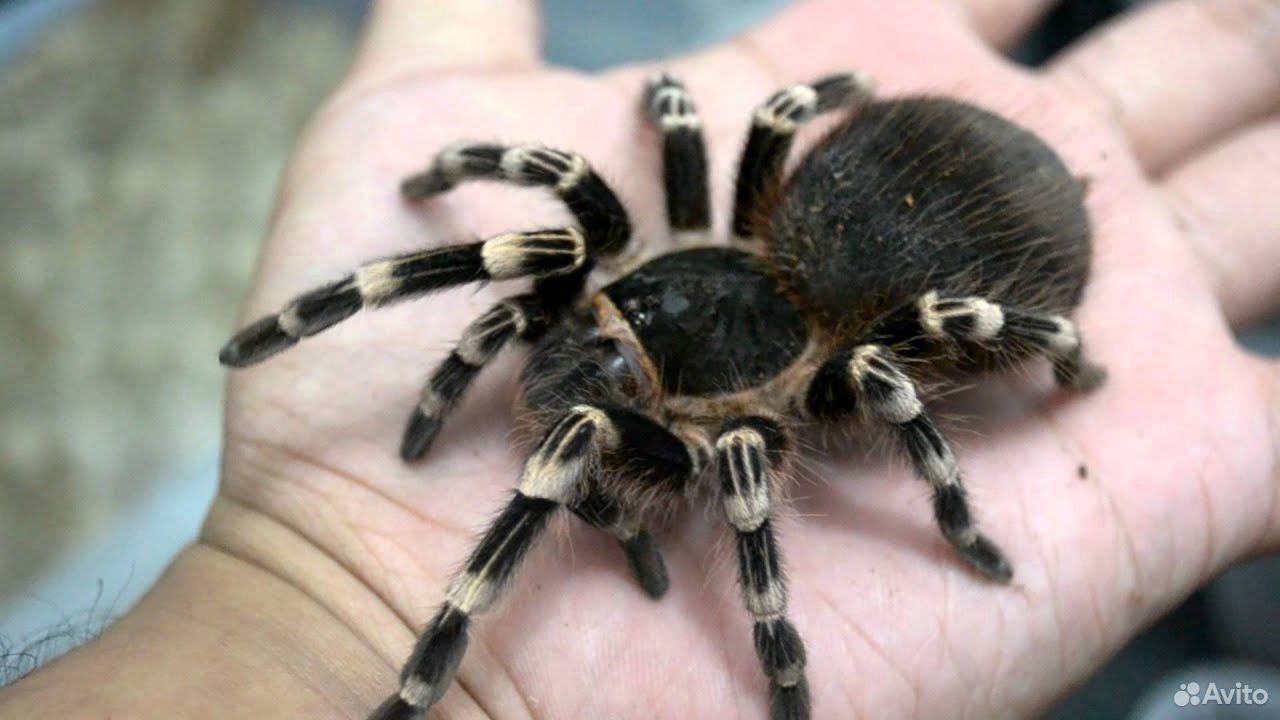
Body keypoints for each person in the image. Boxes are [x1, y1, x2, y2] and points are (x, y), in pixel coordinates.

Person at [2, 0, 1277, 717]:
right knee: (555, 201)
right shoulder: (602, 276)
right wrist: (312, 597)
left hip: (959, 244)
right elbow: (730, 125)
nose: (575, 350)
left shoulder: (772, 408)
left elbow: (797, 138)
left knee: (902, 364)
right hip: (870, 193)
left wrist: (965, 491)